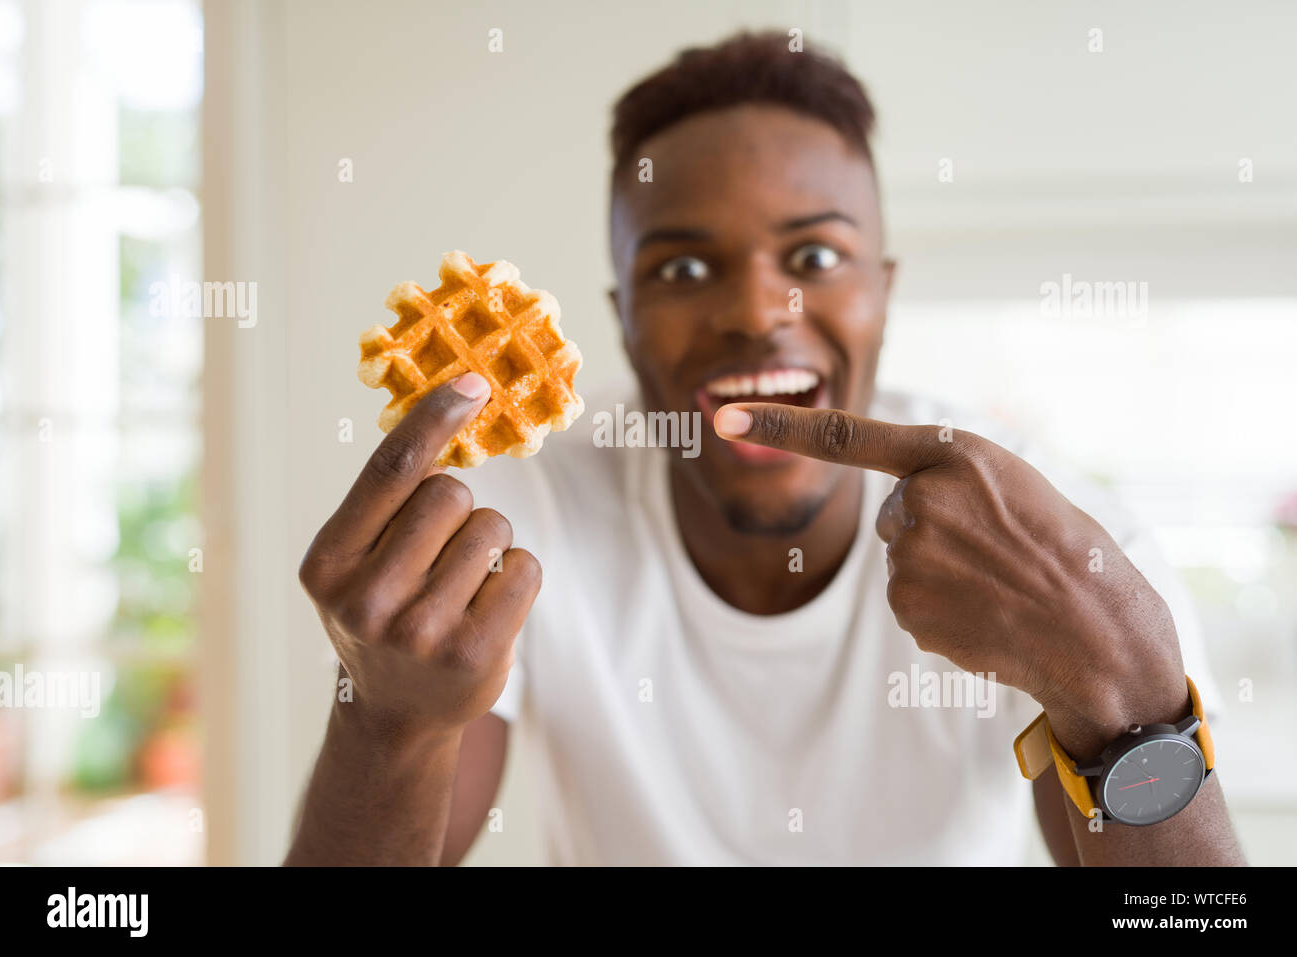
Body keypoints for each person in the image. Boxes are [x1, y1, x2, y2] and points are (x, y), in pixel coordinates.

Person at [285, 32, 1244, 866]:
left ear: (884, 290)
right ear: (622, 322)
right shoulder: (522, 523)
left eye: (816, 257)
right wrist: (387, 719)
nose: (754, 311)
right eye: (685, 267)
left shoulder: (1043, 538)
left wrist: (1124, 697)